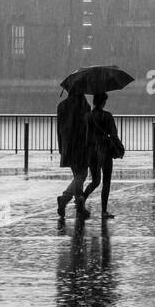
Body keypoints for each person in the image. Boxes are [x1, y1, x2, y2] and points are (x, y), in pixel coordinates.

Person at [56, 81, 92, 218]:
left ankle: (79, 206)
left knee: (78, 175)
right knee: (81, 175)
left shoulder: (62, 106)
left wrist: (61, 147)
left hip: (67, 145)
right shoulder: (84, 106)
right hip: (81, 145)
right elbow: (87, 128)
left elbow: (59, 130)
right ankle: (66, 199)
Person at [83, 92, 120, 219]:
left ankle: (82, 198)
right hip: (105, 151)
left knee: (94, 181)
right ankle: (104, 211)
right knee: (106, 181)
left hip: (92, 151)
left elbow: (86, 137)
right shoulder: (108, 116)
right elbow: (114, 134)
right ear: (103, 102)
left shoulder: (88, 116)